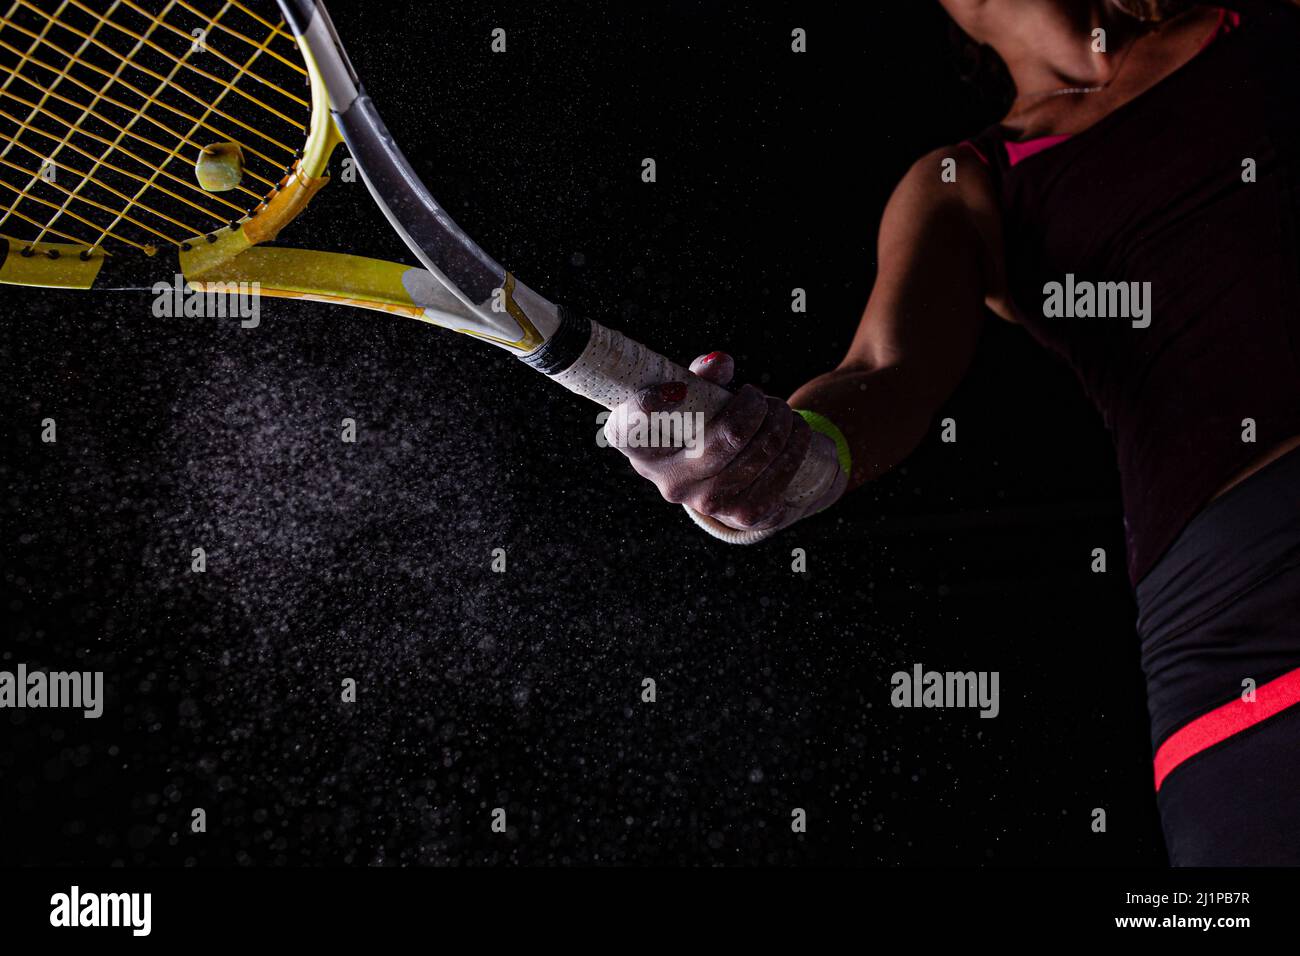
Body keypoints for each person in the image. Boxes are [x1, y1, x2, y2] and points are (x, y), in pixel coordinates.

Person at [603, 0, 1300, 865]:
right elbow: (880, 375)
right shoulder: (966, 180)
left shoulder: (1257, 20)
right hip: (1231, 635)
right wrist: (788, 455)